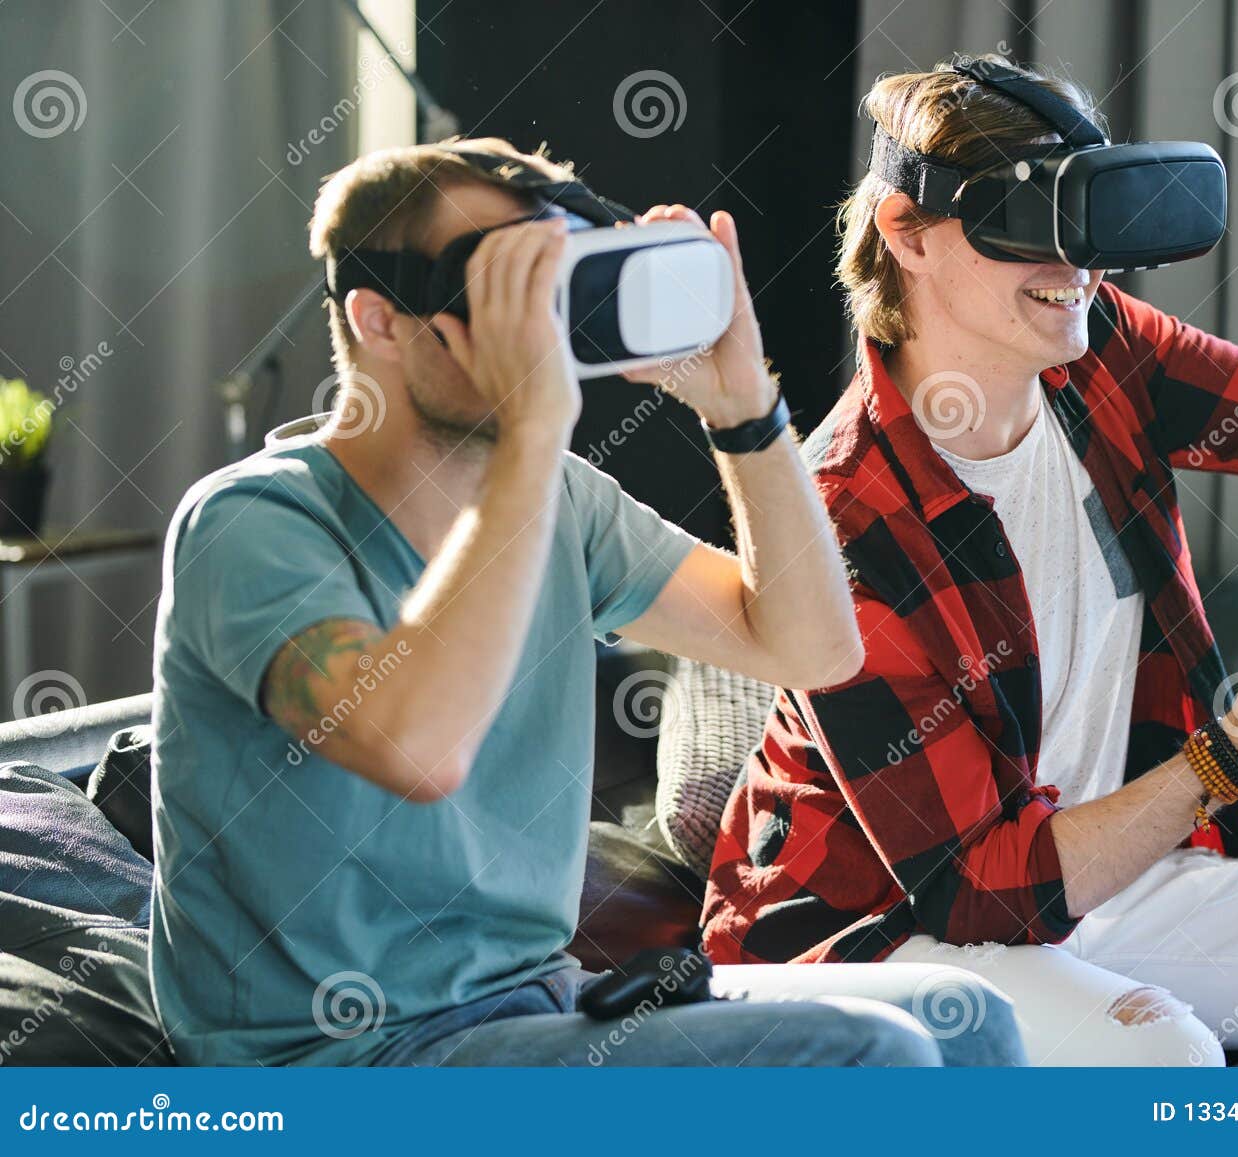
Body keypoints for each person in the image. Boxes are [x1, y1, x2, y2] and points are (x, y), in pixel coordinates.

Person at [700, 58, 1238, 1065]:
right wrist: (1230, 757)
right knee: (1162, 1056)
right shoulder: (845, 519)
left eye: (1088, 220)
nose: (1076, 266)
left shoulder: (1101, 355)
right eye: (1027, 223)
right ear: (905, 231)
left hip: (1109, 875)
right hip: (880, 938)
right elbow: (984, 888)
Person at [147, 137, 1023, 1068]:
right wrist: (530, 431)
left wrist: (740, 409)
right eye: (506, 286)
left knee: (963, 1018)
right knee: (871, 1054)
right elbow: (418, 747)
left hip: (539, 1006)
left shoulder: (560, 498)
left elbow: (815, 650)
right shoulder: (252, 522)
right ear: (381, 319)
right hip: (338, 1061)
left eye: (549, 278)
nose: (539, 324)